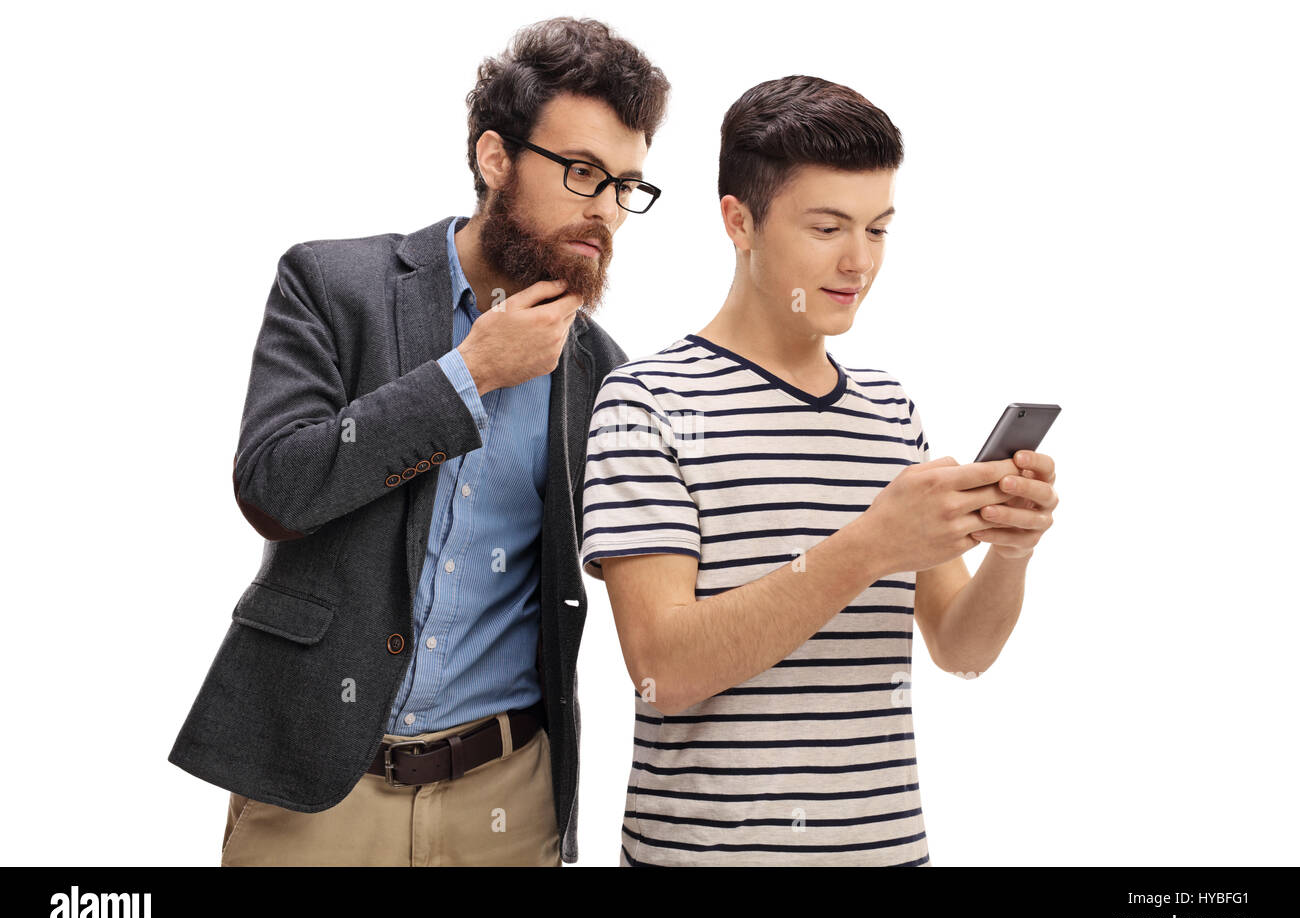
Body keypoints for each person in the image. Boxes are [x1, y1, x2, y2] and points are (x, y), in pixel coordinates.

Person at [168, 16, 670, 866]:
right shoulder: (334, 286)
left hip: (506, 798)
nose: (605, 212)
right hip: (317, 790)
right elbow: (275, 489)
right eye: (582, 172)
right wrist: (467, 375)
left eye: (625, 185)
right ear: (495, 157)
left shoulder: (603, 370)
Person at [579, 75, 1059, 865]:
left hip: (889, 851)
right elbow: (665, 668)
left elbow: (961, 650)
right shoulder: (645, 401)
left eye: (878, 229)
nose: (857, 261)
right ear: (739, 221)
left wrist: (1011, 552)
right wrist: (872, 544)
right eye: (828, 226)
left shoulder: (890, 411)